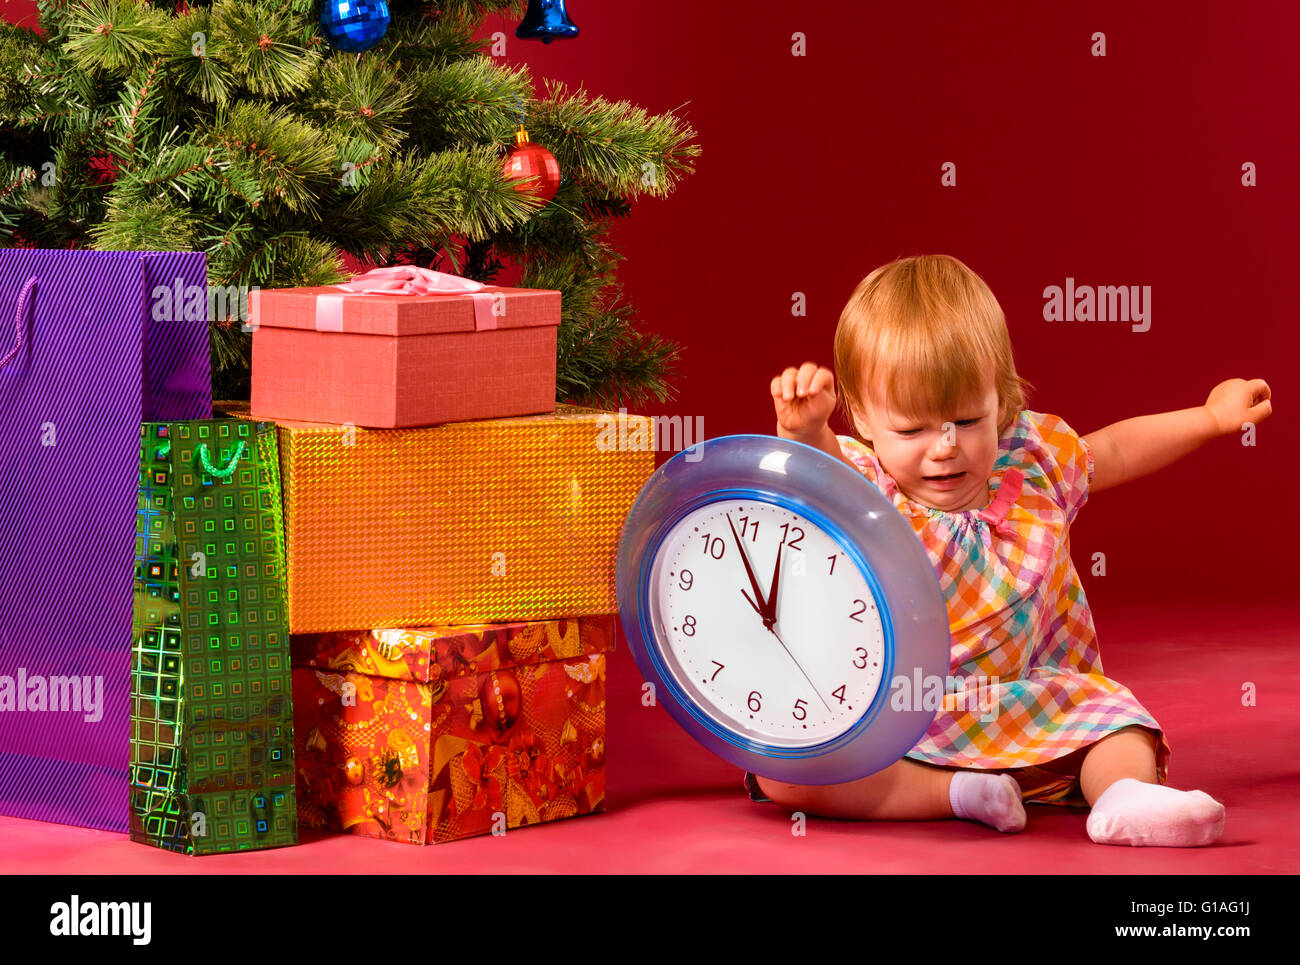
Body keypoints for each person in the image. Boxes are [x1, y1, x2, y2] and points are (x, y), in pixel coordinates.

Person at [753, 254, 1271, 846]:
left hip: (1029, 699)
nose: (944, 447)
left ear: (1000, 398)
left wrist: (1207, 418)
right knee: (784, 775)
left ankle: (1126, 798)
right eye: (912, 430)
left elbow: (1116, 450)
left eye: (967, 419)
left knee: (1118, 722)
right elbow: (820, 477)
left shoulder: (1032, 463)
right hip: (897, 716)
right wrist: (804, 433)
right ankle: (957, 795)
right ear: (865, 417)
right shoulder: (868, 487)